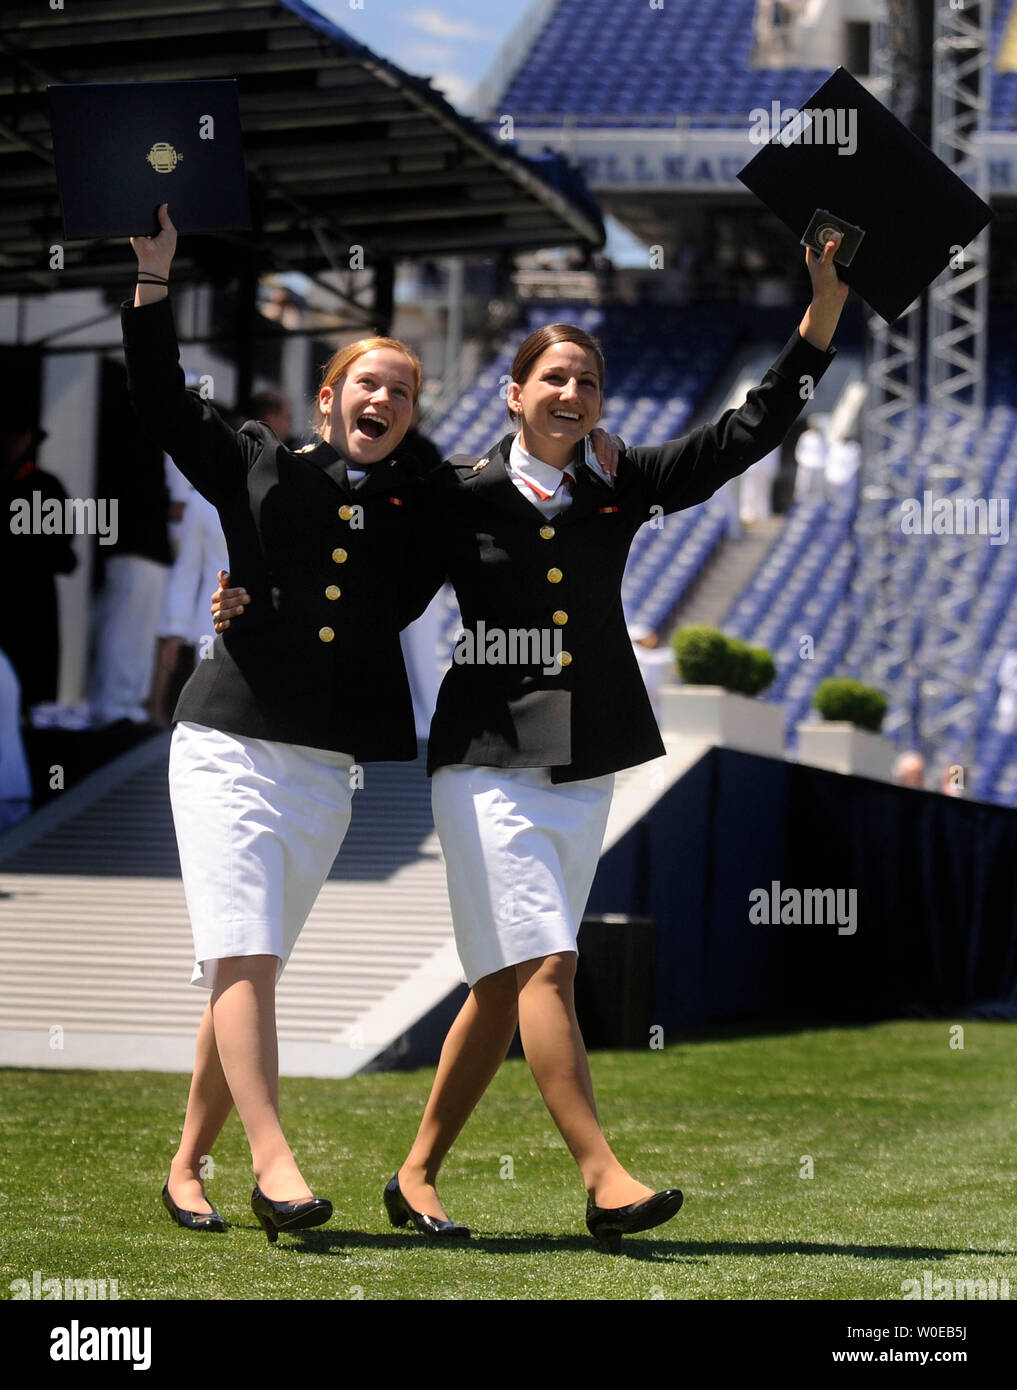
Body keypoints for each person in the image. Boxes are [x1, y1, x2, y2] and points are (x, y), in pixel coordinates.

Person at [217, 234, 848, 1251]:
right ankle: (604, 1179)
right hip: (485, 760)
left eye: (588, 379)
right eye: (553, 375)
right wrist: (256, 603)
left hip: (583, 759)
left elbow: (748, 430)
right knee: (548, 962)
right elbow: (369, 584)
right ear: (514, 394)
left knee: (502, 983)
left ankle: (416, 1174)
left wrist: (820, 312)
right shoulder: (456, 494)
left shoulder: (620, 482)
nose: (572, 390)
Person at [124, 204, 439, 1243]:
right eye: (368, 384)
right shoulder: (257, 458)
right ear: (328, 395)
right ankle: (274, 1162)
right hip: (225, 741)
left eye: (401, 391)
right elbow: (165, 401)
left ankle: (184, 1166)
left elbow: (503, 519)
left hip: (325, 769)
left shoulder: (421, 503)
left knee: (240, 968)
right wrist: (156, 281)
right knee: (244, 956)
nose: (383, 399)